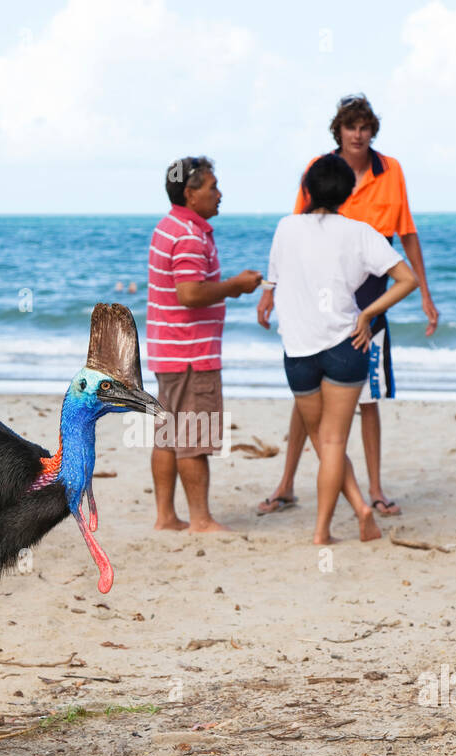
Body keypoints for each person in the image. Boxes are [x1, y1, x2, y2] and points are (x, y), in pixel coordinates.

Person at [258, 94, 437, 517]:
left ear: (373, 131)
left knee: (369, 395)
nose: (357, 134)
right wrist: (270, 289)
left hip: (374, 288)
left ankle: (374, 490)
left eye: (364, 126)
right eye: (350, 126)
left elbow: (407, 233)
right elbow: (294, 235)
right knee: (310, 394)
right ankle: (285, 485)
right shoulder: (321, 172)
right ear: (337, 131)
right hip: (325, 286)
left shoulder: (390, 170)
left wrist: (425, 293)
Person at [265, 154, 419, 544]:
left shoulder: (285, 228)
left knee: (322, 442)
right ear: (348, 193)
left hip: (297, 352)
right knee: (333, 442)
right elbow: (407, 279)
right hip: (345, 346)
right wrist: (368, 314)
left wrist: (266, 299)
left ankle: (352, 514)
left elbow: (274, 281)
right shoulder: (360, 231)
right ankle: (326, 530)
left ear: (306, 190)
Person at [146, 156, 261, 532]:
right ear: (190, 193)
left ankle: (166, 517)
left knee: (168, 436)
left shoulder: (169, 226)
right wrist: (236, 286)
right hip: (191, 352)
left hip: (168, 350)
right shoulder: (189, 235)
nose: (220, 194)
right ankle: (200, 519)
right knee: (192, 438)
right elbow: (191, 293)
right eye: (212, 187)